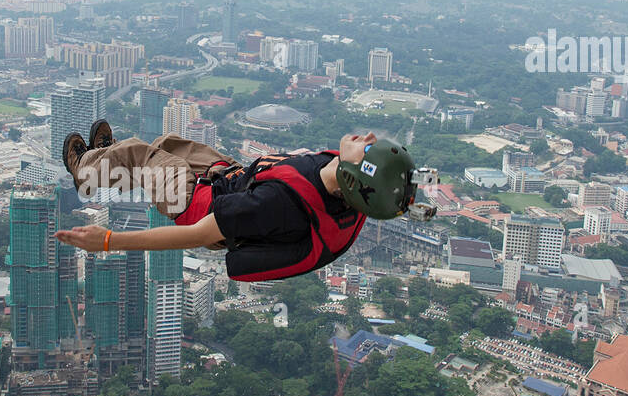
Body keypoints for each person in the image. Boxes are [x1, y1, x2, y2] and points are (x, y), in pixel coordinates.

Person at [55, 121, 437, 282]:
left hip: (195, 203)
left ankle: (85, 171)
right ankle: (107, 163)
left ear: (354, 177)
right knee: (168, 145)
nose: (367, 136)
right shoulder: (350, 192)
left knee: (140, 154)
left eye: (368, 149)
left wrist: (108, 241)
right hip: (235, 178)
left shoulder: (277, 205)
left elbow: (195, 235)